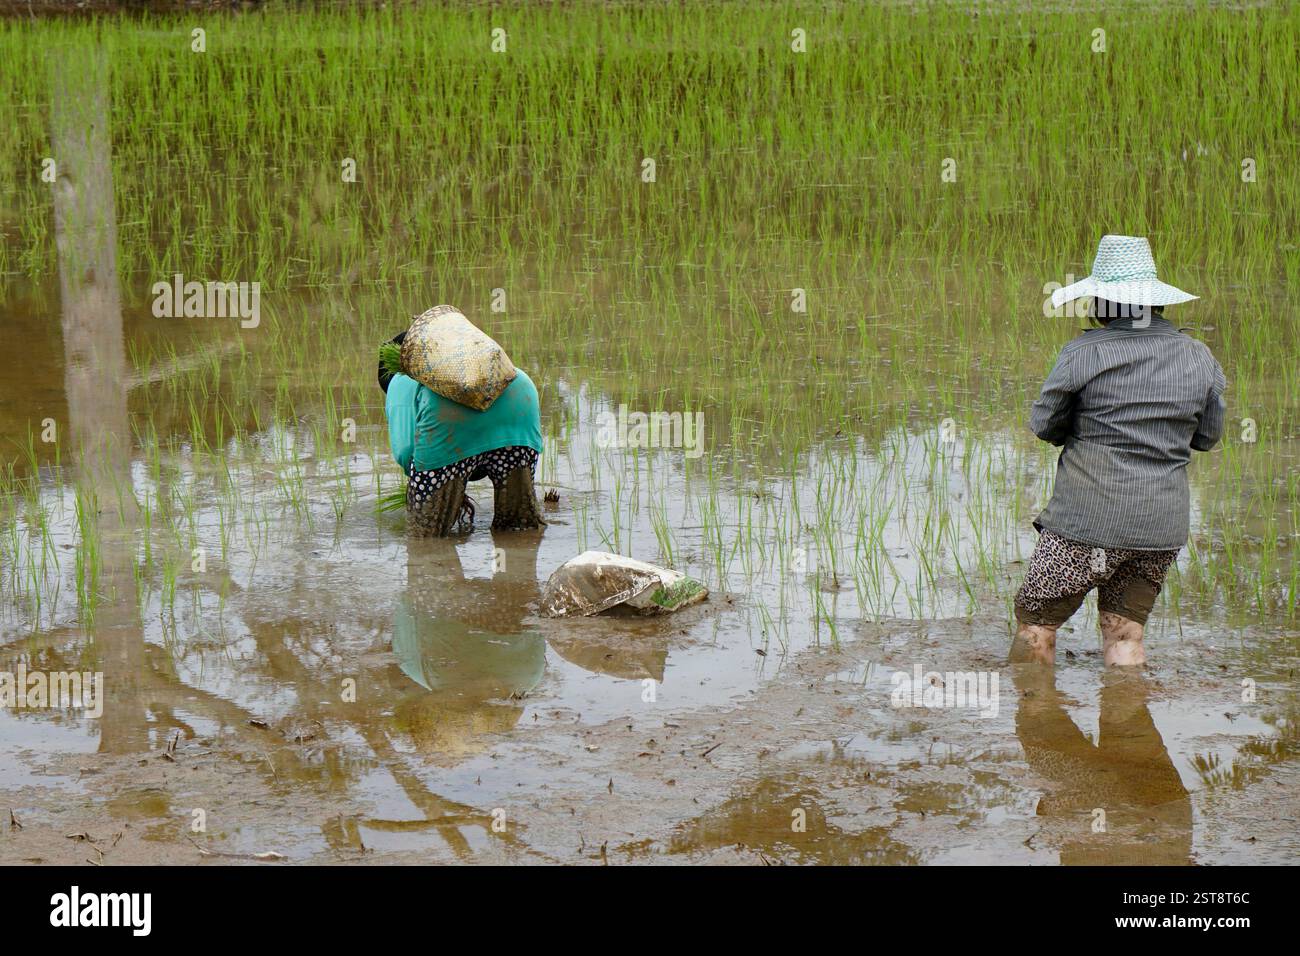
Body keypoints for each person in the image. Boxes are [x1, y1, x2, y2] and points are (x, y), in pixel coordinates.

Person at [1013, 235, 1226, 666]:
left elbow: (1044, 425)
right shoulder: (1200, 357)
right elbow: (1205, 438)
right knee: (1125, 633)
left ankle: (1036, 717)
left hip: (1085, 524)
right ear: (1155, 303)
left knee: (1036, 623)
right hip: (1160, 528)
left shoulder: (1084, 352)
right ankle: (1128, 731)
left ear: (1099, 302)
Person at [379, 328, 545, 536]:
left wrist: (427, 486)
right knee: (519, 530)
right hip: (519, 397)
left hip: (452, 421)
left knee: (426, 541)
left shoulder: (400, 380)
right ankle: (518, 559)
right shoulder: (467, 361)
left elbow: (406, 450)